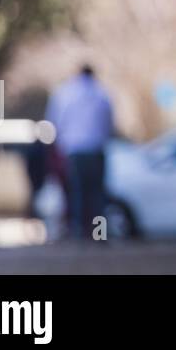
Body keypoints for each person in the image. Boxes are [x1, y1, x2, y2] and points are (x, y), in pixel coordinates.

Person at [44, 65, 113, 240]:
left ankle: (78, 233)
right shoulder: (102, 94)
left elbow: (55, 122)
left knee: (77, 193)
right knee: (97, 195)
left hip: (74, 150)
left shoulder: (65, 93)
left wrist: (60, 146)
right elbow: (109, 123)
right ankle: (99, 234)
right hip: (96, 149)